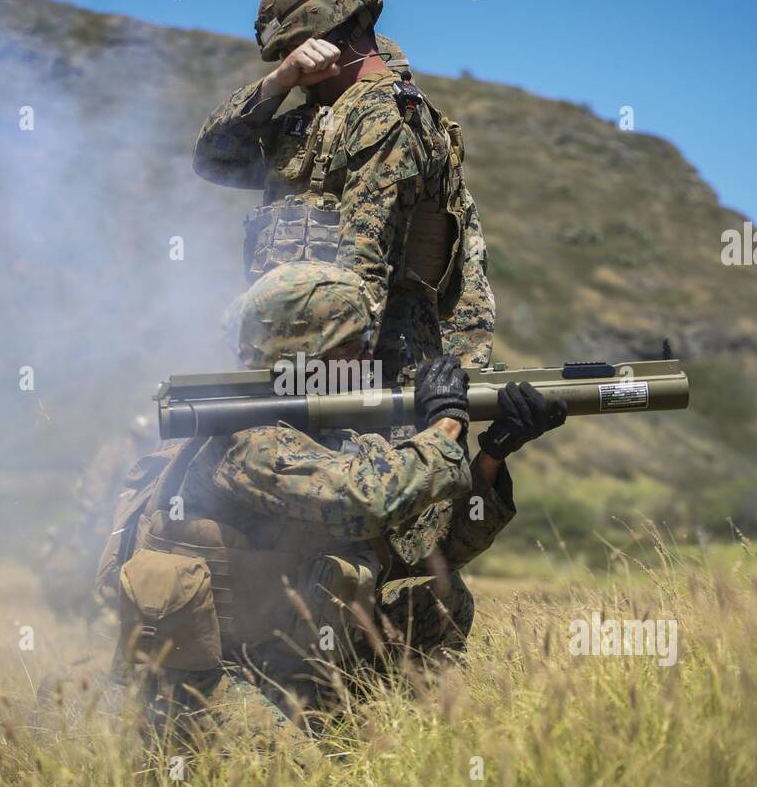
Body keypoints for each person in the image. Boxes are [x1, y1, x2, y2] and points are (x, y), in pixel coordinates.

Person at [97, 263, 564, 737]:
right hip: (212, 680)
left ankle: (384, 733)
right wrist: (445, 425)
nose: (366, 360)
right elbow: (367, 500)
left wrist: (493, 455)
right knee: (295, 785)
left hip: (285, 659)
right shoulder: (248, 443)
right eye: (351, 347)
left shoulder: (327, 438)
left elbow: (426, 554)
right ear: (302, 354)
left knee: (440, 600)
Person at [192, 0, 496, 385]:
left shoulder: (383, 116)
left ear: (321, 37)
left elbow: (364, 273)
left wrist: (326, 391)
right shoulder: (316, 120)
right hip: (309, 369)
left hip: (365, 383)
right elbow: (212, 158)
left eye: (288, 49)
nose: (288, 62)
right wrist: (275, 84)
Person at [34, 415, 157, 620]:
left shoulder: (144, 457)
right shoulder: (112, 455)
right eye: (140, 439)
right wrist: (100, 523)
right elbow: (95, 491)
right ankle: (83, 615)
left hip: (128, 523)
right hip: (103, 525)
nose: (144, 444)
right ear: (132, 437)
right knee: (97, 572)